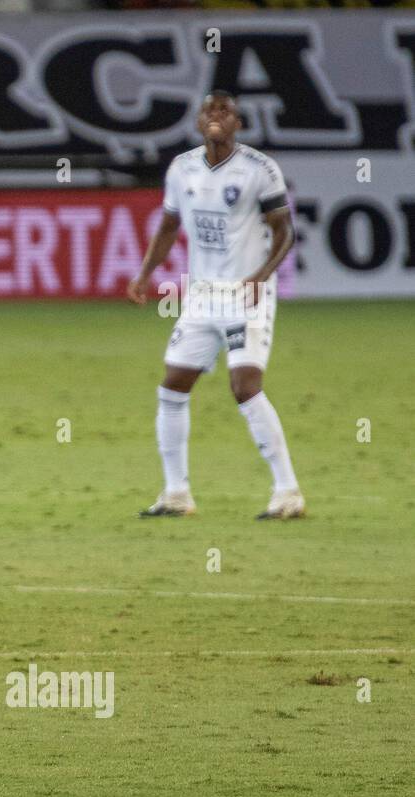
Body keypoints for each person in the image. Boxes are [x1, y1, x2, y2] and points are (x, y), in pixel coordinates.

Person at [128, 90, 304, 519]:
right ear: (198, 121)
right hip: (202, 296)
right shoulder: (181, 169)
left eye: (225, 111)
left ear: (238, 124)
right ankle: (176, 494)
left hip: (247, 295)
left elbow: (284, 232)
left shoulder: (260, 170)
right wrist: (146, 272)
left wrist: (262, 275)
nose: (216, 116)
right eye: (209, 109)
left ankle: (288, 492)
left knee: (244, 387)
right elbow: (169, 226)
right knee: (172, 387)